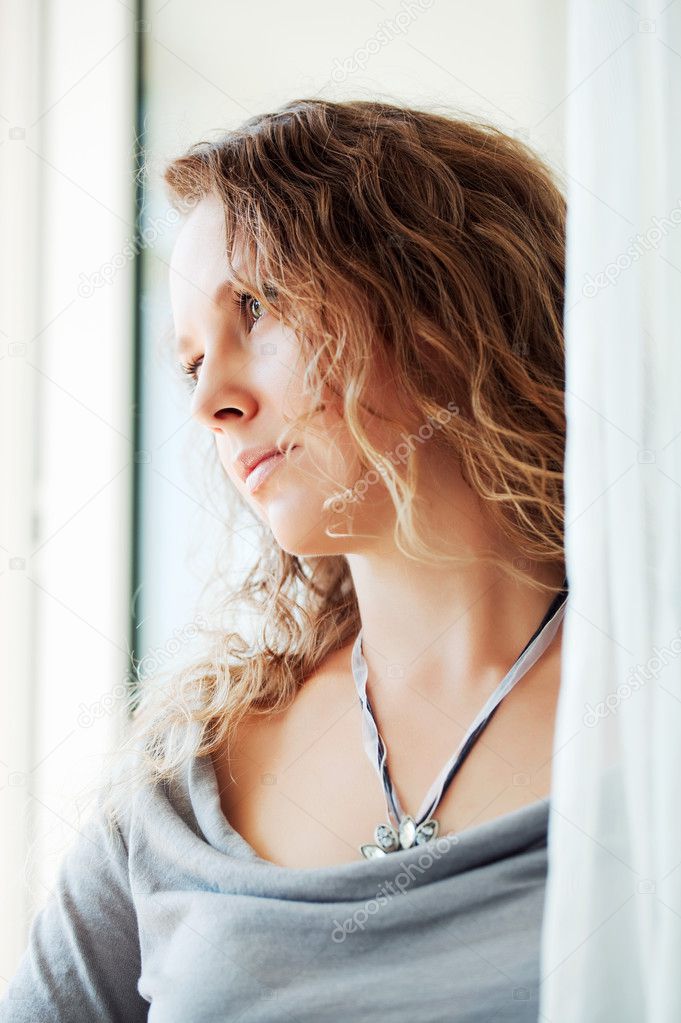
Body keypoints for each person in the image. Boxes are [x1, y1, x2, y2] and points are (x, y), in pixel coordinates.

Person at [0, 97, 569, 1021]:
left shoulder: (649, 714)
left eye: (255, 310)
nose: (210, 402)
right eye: (191, 363)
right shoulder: (181, 789)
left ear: (438, 300)